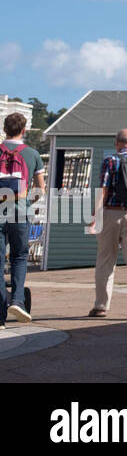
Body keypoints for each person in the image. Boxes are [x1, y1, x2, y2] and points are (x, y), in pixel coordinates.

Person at [90, 128, 127, 319]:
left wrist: (95, 217)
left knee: (106, 260)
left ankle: (100, 306)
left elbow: (104, 189)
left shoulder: (110, 160)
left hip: (111, 214)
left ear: (116, 143)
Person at [1, 112, 45, 327]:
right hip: (19, 212)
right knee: (19, 257)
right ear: (24, 130)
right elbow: (40, 189)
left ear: (4, 129)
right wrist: (29, 204)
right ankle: (17, 300)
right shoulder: (32, 154)